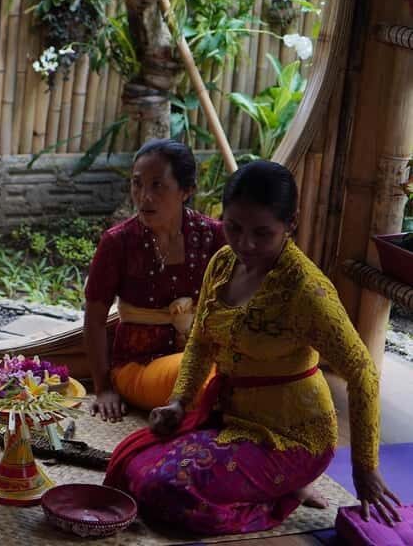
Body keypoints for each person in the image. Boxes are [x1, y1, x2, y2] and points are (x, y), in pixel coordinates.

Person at [104, 160, 401, 535]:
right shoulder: (223, 263)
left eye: (263, 233)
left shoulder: (306, 291)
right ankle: (273, 486)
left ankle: (282, 494)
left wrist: (365, 467)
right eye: (233, 228)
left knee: (164, 492)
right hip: (231, 420)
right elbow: (201, 341)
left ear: (290, 224)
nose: (245, 244)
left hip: (294, 437)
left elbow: (362, 372)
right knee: (131, 465)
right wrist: (180, 402)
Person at [85, 139, 225, 419]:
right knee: (209, 379)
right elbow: (95, 319)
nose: (144, 196)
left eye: (157, 185)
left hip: (202, 356)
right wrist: (103, 388)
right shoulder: (118, 243)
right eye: (137, 184)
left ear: (186, 190)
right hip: (139, 366)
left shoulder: (213, 236)